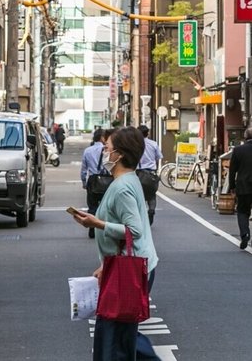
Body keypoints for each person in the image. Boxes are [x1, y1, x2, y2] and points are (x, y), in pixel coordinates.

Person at [70, 127, 160, 361]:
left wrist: (96, 223)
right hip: (130, 264)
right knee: (122, 332)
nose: (103, 152)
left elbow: (134, 230)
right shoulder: (129, 179)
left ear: (119, 154)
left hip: (130, 267)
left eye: (107, 148)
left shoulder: (121, 188)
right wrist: (106, 265)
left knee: (114, 334)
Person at [81, 128, 109, 239]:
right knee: (106, 205)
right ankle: (104, 228)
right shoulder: (107, 150)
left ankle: (92, 229)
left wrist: (84, 181)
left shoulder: (88, 151)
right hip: (106, 179)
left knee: (92, 205)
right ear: (102, 138)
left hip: (92, 180)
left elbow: (84, 168)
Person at [136, 126, 162, 224]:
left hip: (139, 173)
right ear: (148, 133)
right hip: (151, 173)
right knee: (151, 195)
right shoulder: (153, 144)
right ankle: (151, 210)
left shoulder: (135, 144)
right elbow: (158, 157)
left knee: (138, 196)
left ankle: (140, 216)